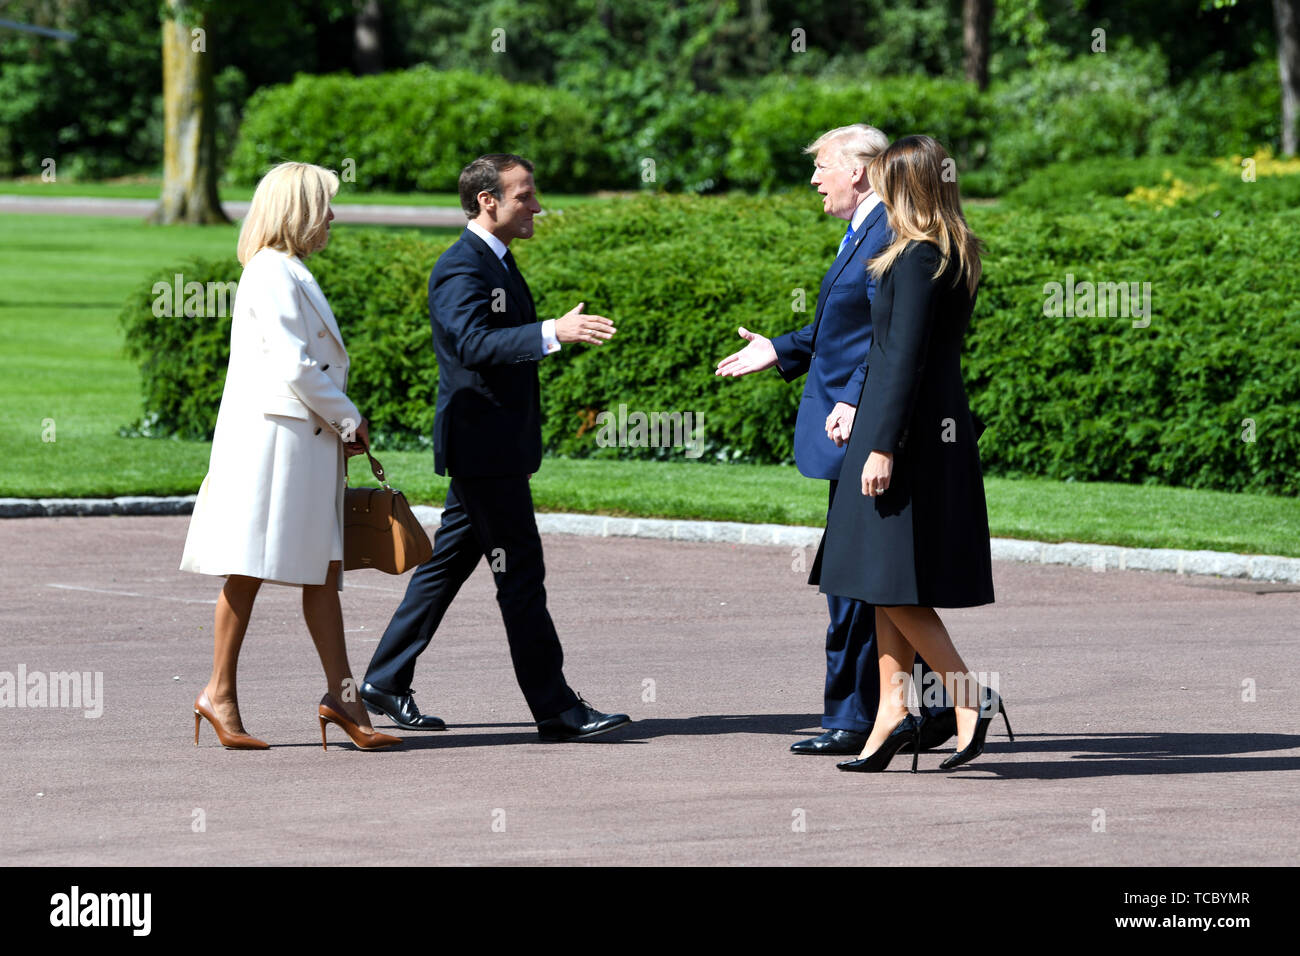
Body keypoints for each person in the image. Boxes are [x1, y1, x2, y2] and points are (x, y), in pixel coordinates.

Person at [360, 153, 631, 742]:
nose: (536, 206)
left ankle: (383, 679)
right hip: (484, 451)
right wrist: (550, 332)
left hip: (492, 450)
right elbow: (471, 342)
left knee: (445, 567)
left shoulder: (494, 260)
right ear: (489, 201)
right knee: (521, 578)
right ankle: (557, 710)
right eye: (524, 196)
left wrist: (545, 335)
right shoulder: (463, 267)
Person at [716, 125, 955, 756]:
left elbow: (891, 345)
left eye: (823, 166)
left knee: (859, 577)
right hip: (858, 420)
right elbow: (846, 327)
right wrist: (781, 348)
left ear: (859, 169)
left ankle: (863, 714)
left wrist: (854, 401)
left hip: (866, 425)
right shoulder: (868, 231)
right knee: (872, 575)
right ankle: (919, 710)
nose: (816, 178)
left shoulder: (889, 235)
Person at [179, 161, 401, 752]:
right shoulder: (272, 272)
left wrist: (342, 423)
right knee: (251, 566)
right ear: (297, 211)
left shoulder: (285, 269)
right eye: (324, 206)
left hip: (298, 444)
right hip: (275, 448)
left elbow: (302, 366)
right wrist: (349, 418)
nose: (332, 217)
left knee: (322, 572)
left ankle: (343, 697)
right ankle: (219, 694)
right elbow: (295, 363)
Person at [812, 135, 1013, 773]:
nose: (873, 188)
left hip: (903, 435)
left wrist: (881, 448)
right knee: (881, 581)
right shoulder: (949, 251)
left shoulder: (914, 258)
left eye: (886, 180)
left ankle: (966, 696)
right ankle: (892, 714)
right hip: (920, 430)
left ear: (907, 186)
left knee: (885, 582)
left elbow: (903, 359)